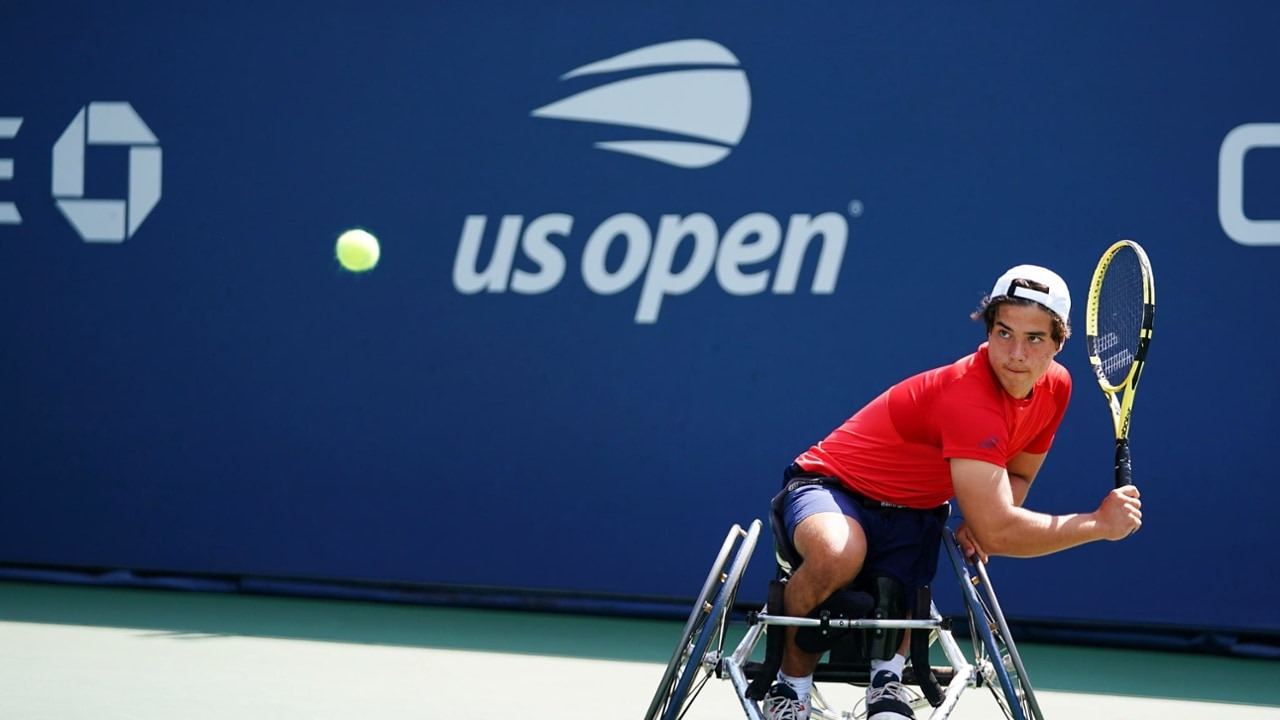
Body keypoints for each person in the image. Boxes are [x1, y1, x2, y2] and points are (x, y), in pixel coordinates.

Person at [761, 264, 1144, 720]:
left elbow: (1018, 476)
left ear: (1058, 344)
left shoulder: (1056, 387)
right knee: (839, 553)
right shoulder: (970, 397)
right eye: (1004, 333)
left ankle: (887, 682)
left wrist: (985, 517)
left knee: (908, 561)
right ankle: (790, 686)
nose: (1016, 354)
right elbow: (999, 532)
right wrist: (1097, 524)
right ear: (988, 331)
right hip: (830, 486)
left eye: (1034, 339)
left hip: (913, 510)